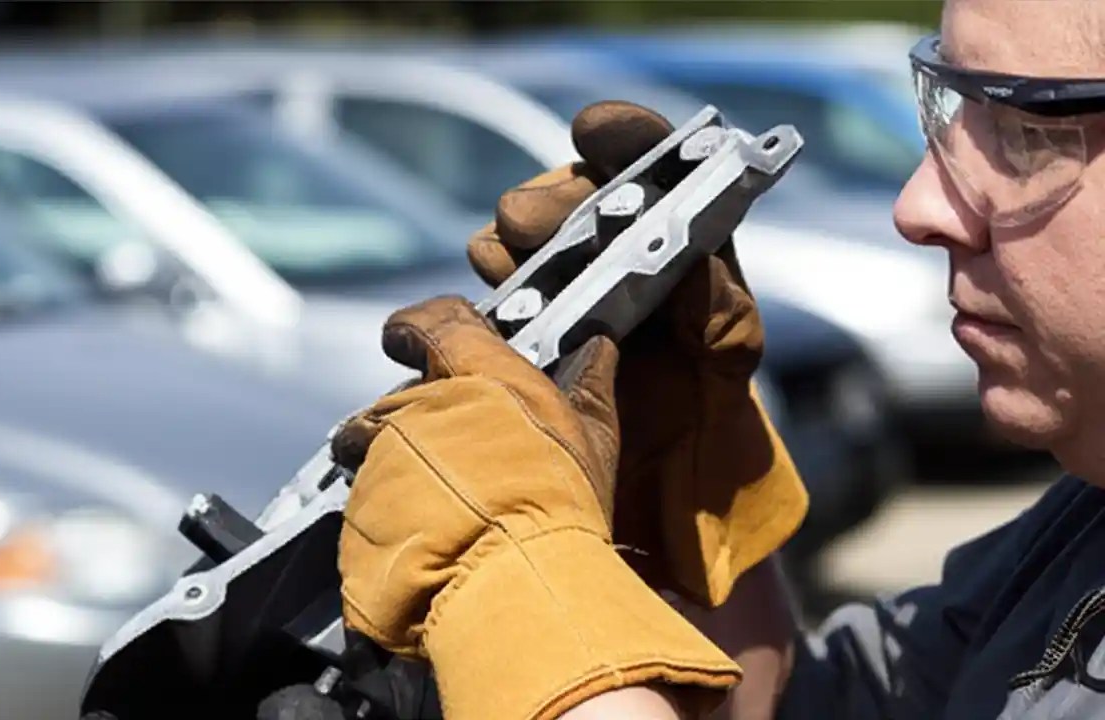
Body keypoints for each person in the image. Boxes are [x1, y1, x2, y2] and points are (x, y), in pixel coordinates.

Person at [331, 0, 1105, 717]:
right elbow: (839, 706)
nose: (918, 207)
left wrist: (521, 608)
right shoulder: (1082, 531)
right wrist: (669, 461)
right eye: (953, 113)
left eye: (1026, 135)